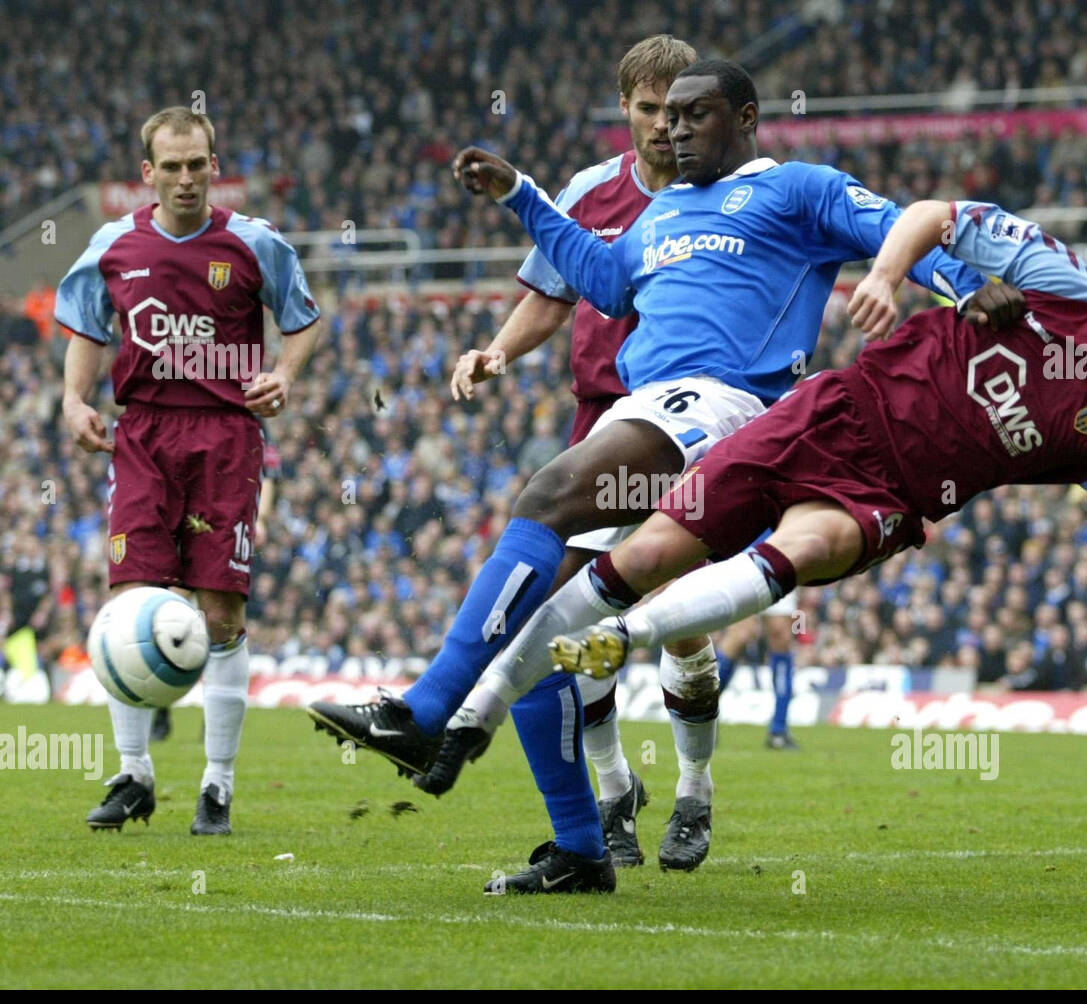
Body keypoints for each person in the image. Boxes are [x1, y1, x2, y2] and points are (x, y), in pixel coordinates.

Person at [308, 58, 1018, 895]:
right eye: (666, 118)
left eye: (695, 115)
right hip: (652, 406)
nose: (674, 131)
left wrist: (971, 290)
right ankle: (580, 850)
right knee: (539, 629)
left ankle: (427, 713)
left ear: (747, 117)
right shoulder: (661, 212)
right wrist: (520, 195)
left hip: (729, 406)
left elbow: (903, 227)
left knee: (544, 496)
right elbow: (604, 281)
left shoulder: (796, 189)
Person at [497, 201, 1087, 858]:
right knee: (654, 553)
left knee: (809, 549)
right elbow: (932, 215)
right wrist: (884, 275)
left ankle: (629, 659)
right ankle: (488, 695)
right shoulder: (1061, 279)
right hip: (839, 409)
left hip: (896, 496)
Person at [444, 34, 704, 869]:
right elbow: (551, 294)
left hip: (700, 425)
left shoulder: (729, 192)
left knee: (686, 628)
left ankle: (694, 792)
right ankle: (614, 792)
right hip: (603, 425)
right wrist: (497, 351)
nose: (665, 124)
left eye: (680, 108)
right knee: (570, 618)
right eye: (649, 107)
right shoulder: (591, 191)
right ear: (624, 107)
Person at [57, 106, 321, 834]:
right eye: (169, 166)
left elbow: (304, 317)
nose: (183, 178)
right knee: (128, 603)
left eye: (195, 164)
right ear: (147, 173)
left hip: (224, 438)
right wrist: (73, 400)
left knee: (221, 612)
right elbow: (86, 322)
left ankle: (217, 785)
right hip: (141, 434)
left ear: (213, 164)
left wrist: (285, 374)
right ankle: (134, 774)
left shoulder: (253, 242)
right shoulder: (114, 243)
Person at [713, 590, 801, 749]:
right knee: (741, 634)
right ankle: (703, 715)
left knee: (781, 635)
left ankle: (779, 730)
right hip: (743, 568)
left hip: (780, 566)